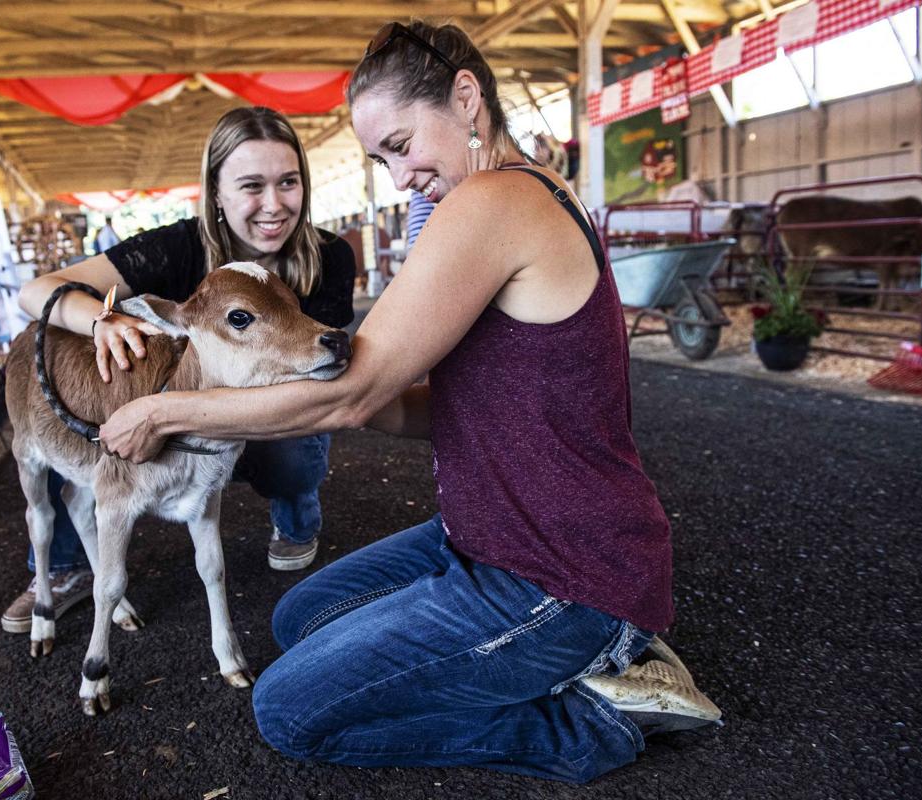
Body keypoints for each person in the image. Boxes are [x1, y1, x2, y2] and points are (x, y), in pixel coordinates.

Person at [96, 21, 720, 783]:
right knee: (299, 621)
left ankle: (597, 717)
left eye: (400, 145)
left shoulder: (496, 200)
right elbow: (427, 408)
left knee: (288, 712)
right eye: (379, 158)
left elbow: (355, 390)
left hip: (560, 573)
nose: (397, 177)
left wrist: (164, 411)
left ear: (466, 97)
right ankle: (587, 656)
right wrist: (324, 387)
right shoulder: (503, 199)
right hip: (487, 537)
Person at [0, 106, 355, 634]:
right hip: (186, 405)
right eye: (251, 186)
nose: (274, 205)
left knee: (294, 454)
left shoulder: (328, 256)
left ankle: (296, 514)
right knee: (69, 418)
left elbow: (324, 385)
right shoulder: (177, 246)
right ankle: (66, 565)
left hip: (277, 416)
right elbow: (37, 291)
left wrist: (161, 413)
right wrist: (99, 320)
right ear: (216, 192)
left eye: (289, 182)